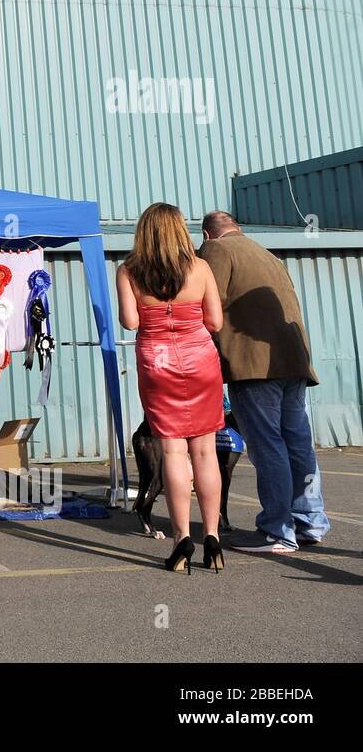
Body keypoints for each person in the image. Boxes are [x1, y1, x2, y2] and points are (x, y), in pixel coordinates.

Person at [198, 211, 330, 553]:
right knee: (297, 443)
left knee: (267, 444)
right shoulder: (267, 254)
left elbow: (205, 302)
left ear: (208, 235)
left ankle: (277, 530)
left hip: (253, 365)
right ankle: (310, 522)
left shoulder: (217, 251)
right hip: (294, 361)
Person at [116, 204, 225, 574]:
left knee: (173, 452)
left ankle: (181, 540)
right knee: (206, 453)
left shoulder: (129, 271)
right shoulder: (201, 268)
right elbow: (216, 321)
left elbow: (131, 321)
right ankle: (212, 537)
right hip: (200, 360)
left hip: (157, 362)